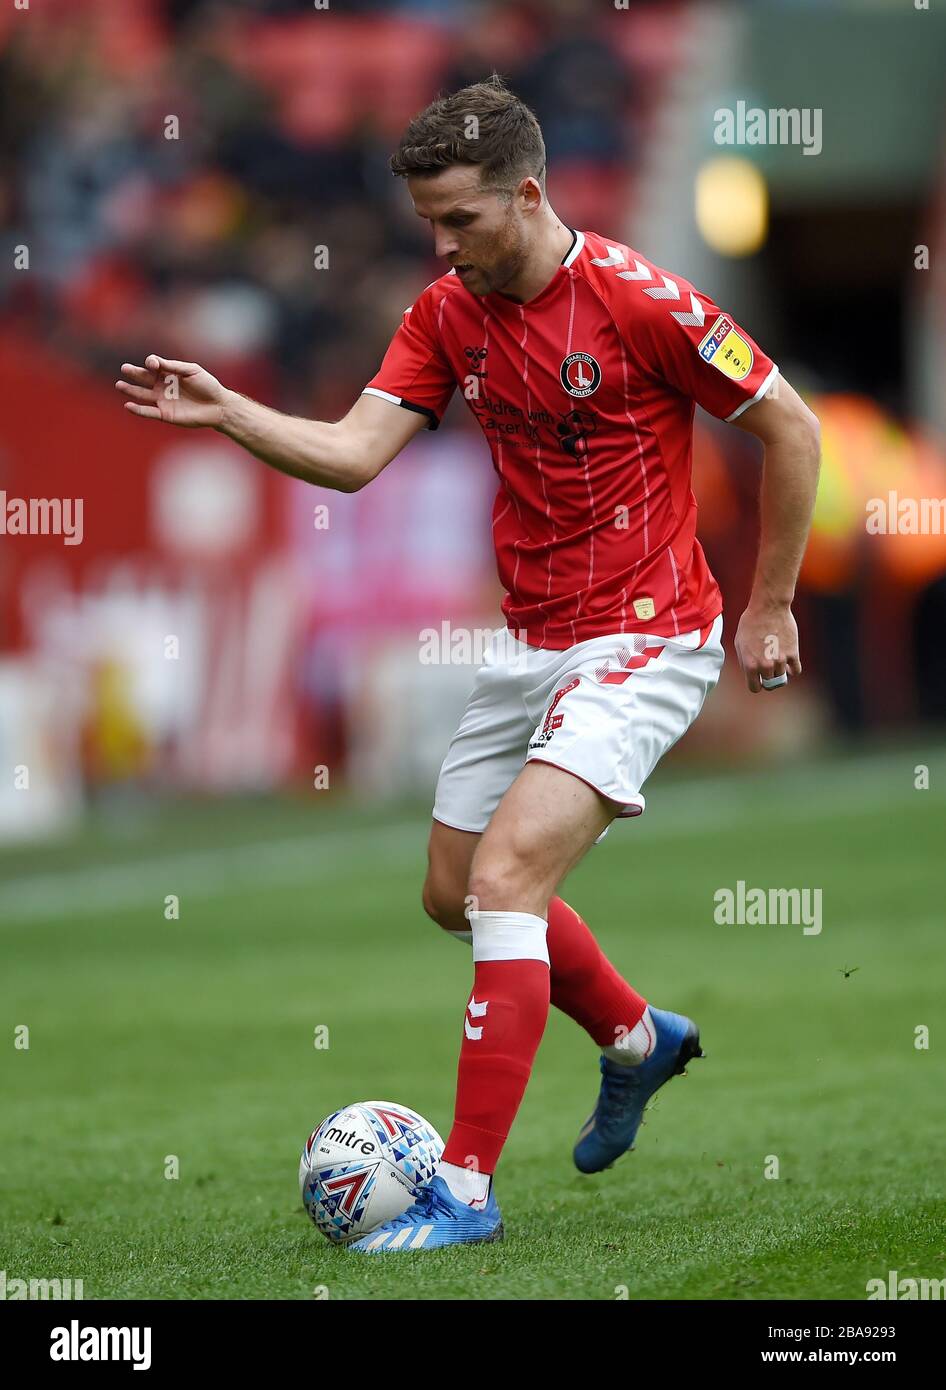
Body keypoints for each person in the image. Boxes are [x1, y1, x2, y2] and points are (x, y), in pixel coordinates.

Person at [116, 74, 821, 1253]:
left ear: (529, 194)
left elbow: (788, 426)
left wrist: (773, 604)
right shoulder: (448, 312)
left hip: (645, 637)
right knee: (452, 894)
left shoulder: (640, 302)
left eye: (460, 221)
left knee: (504, 881)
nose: (442, 246)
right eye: (429, 225)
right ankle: (640, 1040)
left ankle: (465, 1189)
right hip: (531, 641)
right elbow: (350, 456)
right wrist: (229, 410)